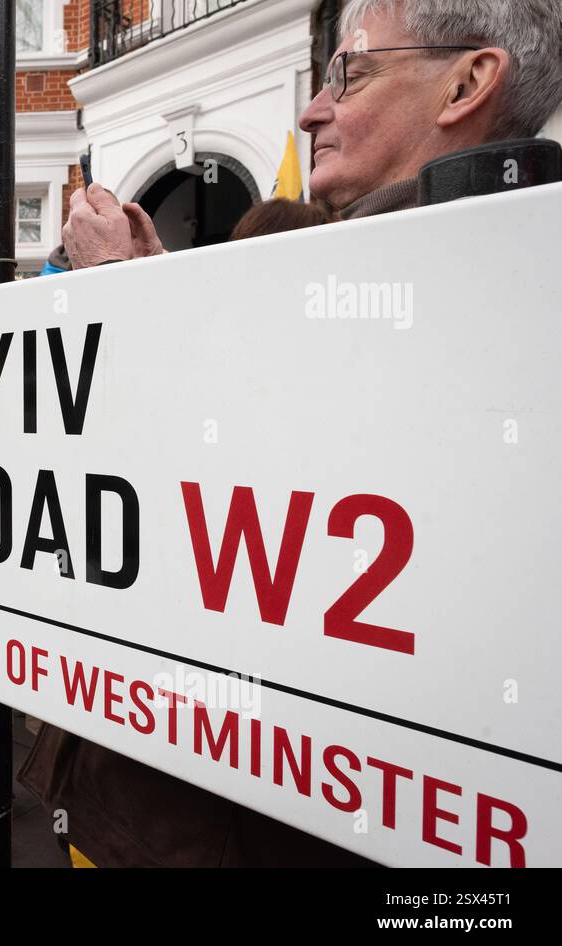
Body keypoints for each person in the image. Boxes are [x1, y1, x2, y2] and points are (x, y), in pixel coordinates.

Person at [21, 199, 368, 868]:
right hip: (127, 784)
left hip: (166, 813)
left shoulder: (307, 416)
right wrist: (157, 283)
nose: (319, 110)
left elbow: (183, 447)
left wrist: (117, 283)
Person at [61, 0, 562, 265]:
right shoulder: (401, 253)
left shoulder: (461, 270)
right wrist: (153, 271)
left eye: (352, 77)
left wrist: (111, 273)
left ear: (465, 85)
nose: (311, 114)